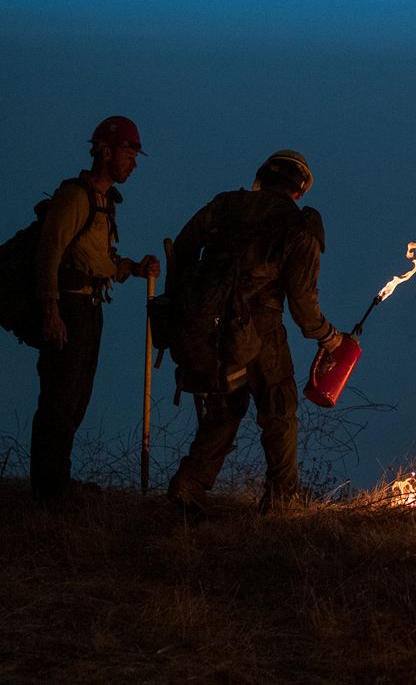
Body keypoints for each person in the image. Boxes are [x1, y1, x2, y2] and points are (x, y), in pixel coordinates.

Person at [166, 149, 345, 515]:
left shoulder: (227, 204)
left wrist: (186, 299)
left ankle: (189, 485)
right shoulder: (300, 228)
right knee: (279, 408)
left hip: (205, 320)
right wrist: (330, 338)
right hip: (259, 328)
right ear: (300, 189)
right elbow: (303, 308)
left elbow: (183, 245)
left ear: (263, 177)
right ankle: (281, 501)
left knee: (224, 404)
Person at [32, 115, 160, 505]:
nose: (133, 163)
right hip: (69, 306)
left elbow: (98, 259)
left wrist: (134, 269)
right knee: (60, 398)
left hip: (89, 307)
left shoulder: (104, 202)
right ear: (105, 152)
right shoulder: (75, 197)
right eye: (129, 152)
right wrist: (51, 313)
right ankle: (49, 490)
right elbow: (48, 255)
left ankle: (58, 483)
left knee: (76, 398)